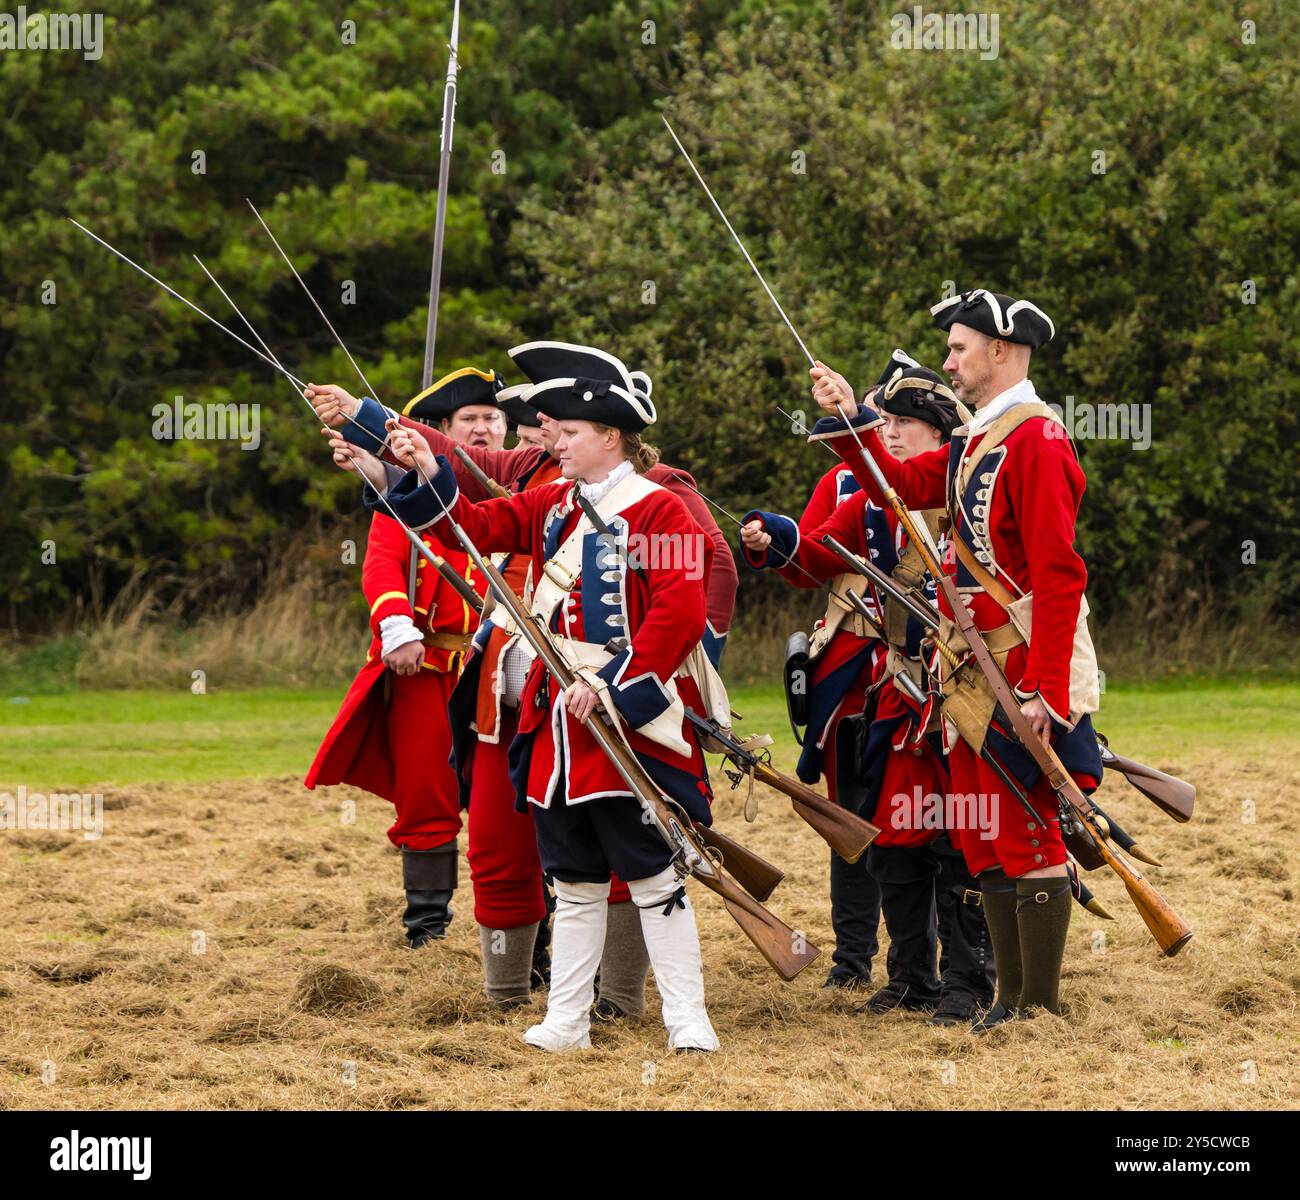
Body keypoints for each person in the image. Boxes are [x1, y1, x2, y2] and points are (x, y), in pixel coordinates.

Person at [307, 355, 738, 1021]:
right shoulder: (550, 497)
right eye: (546, 427)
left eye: (562, 428)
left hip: (625, 710)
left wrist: (628, 689)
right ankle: (553, 1015)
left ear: (610, 433)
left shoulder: (659, 503)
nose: (544, 437)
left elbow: (683, 611)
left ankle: (664, 1013)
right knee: (566, 873)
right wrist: (400, 448)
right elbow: (469, 527)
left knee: (646, 870)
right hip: (548, 709)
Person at [810, 292, 1103, 1031]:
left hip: (1015, 672)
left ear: (1001, 351)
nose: (947, 361)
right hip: (971, 673)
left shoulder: (1036, 439)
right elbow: (903, 487)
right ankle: (1005, 997)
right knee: (983, 836)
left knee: (1025, 831)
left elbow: (1058, 575)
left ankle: (1035, 1004)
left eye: (959, 348)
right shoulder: (982, 438)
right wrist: (852, 420)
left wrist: (1040, 689)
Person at [743, 351, 996, 1023]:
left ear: (937, 433)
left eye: (899, 422)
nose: (886, 431)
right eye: (880, 420)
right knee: (898, 843)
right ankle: (910, 978)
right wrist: (774, 539)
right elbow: (820, 553)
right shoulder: (874, 503)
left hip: (966, 693)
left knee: (959, 840)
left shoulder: (963, 489)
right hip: (903, 695)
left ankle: (968, 985)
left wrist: (850, 416)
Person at [304, 367, 500, 947]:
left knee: (513, 800)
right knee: (427, 793)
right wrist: (396, 626)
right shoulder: (405, 490)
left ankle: (526, 934)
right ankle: (427, 930)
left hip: (501, 670)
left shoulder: (522, 487)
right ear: (440, 430)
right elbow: (383, 565)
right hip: (431, 667)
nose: (485, 429)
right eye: (471, 420)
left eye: (493, 418)